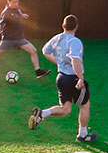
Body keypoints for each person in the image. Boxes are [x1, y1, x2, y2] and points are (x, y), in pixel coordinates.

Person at [28, 14, 94, 144]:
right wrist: (80, 78)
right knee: (85, 105)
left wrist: (59, 63)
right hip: (73, 79)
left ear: (63, 26)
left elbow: (45, 51)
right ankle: (82, 135)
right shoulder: (75, 41)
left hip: (61, 78)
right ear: (76, 27)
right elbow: (75, 60)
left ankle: (42, 114)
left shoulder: (57, 38)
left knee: (66, 109)